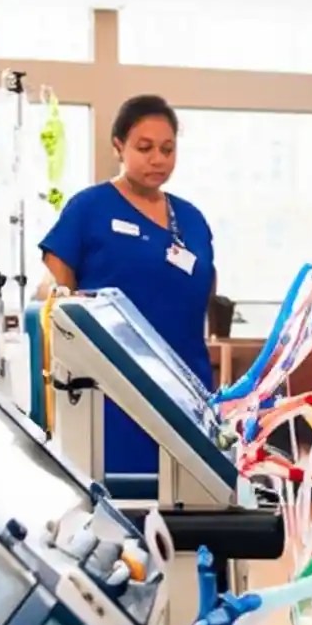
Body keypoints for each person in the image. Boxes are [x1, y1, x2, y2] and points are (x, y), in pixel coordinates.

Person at [40, 94, 215, 476]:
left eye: (167, 149)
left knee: (189, 496)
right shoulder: (89, 208)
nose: (158, 159)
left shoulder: (191, 218)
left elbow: (203, 291)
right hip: (112, 389)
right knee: (120, 496)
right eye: (145, 147)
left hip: (186, 384)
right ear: (118, 146)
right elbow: (55, 294)